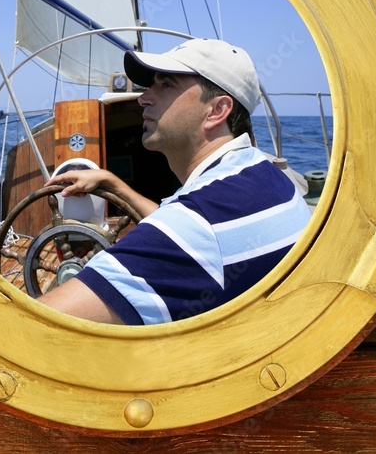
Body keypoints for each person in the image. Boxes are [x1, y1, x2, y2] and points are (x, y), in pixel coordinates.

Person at [38, 38, 311, 325]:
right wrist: (113, 183)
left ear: (217, 110)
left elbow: (36, 325)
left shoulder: (197, 224)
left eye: (166, 85)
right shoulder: (263, 176)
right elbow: (192, 234)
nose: (143, 98)